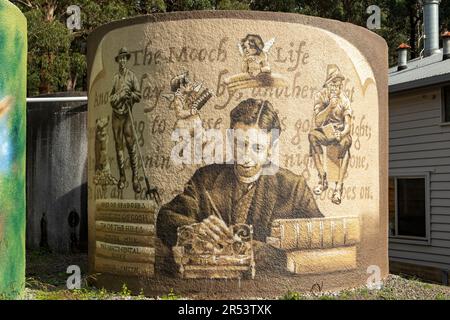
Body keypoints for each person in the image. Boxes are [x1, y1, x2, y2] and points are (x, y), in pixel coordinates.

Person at [156, 98, 323, 270]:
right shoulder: (205, 178)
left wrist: (275, 257)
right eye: (240, 145)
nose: (246, 157)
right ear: (230, 139)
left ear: (271, 147)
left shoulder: (293, 188)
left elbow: (320, 241)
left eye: (257, 148)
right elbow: (164, 217)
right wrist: (193, 230)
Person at [308, 65, 353, 205]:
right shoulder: (321, 96)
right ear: (327, 84)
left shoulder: (344, 100)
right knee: (312, 136)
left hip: (340, 131)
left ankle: (338, 188)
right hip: (326, 131)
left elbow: (348, 125)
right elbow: (318, 121)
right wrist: (330, 107)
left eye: (339, 82)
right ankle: (322, 179)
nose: (336, 85)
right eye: (333, 82)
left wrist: (342, 133)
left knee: (346, 143)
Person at [110, 47, 142, 193]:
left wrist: (130, 96)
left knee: (131, 145)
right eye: (120, 58)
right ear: (118, 61)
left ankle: (135, 178)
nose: (122, 60)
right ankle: (122, 177)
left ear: (126, 60)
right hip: (116, 116)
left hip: (127, 115)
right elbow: (110, 99)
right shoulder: (115, 78)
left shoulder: (132, 76)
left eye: (124, 58)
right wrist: (119, 96)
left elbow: (139, 95)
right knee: (118, 147)